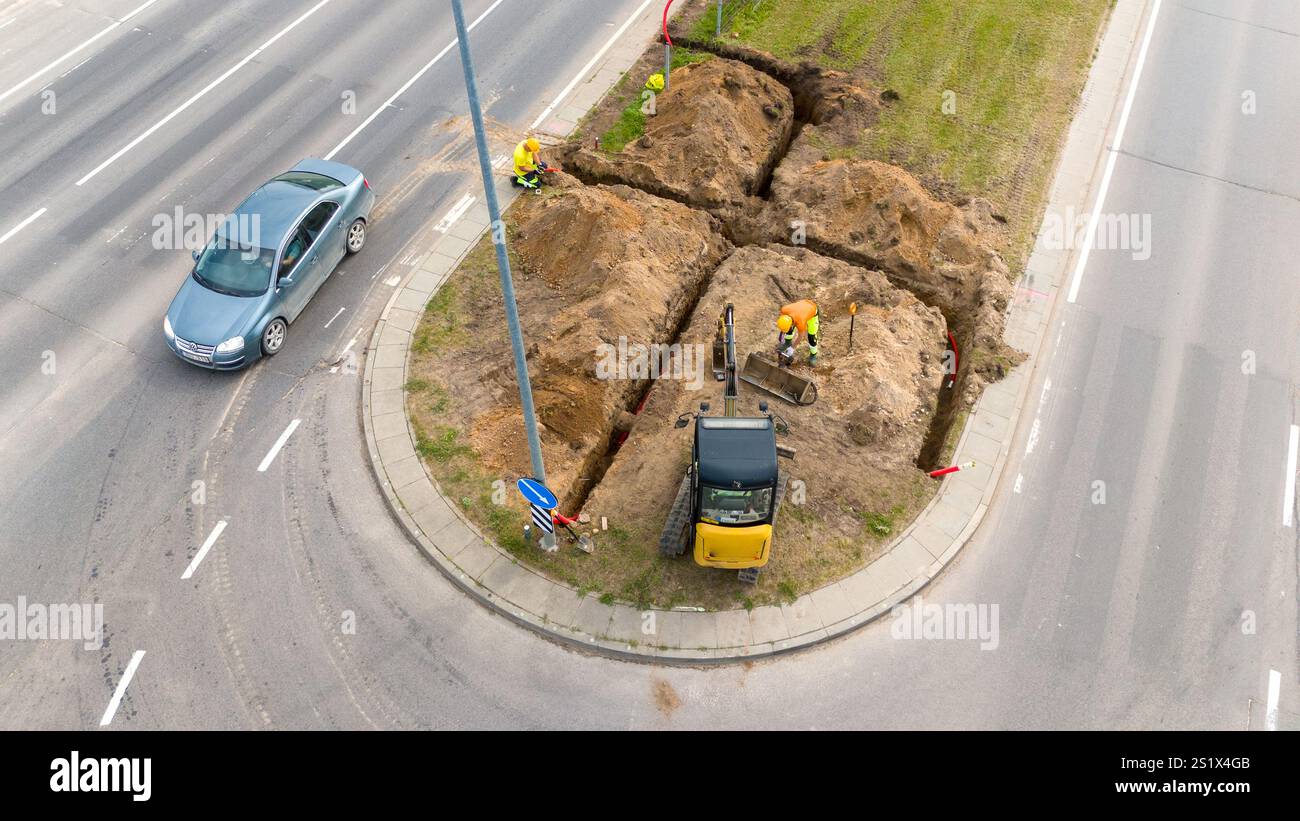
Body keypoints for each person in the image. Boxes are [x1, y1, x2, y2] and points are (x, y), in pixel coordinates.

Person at [776, 299, 820, 365]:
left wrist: (792, 348)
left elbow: (801, 336)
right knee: (789, 330)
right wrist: (782, 338)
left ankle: (813, 354)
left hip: (812, 312)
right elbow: (784, 327)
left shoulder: (801, 322)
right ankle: (787, 343)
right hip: (801, 306)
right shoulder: (784, 310)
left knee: (812, 337)